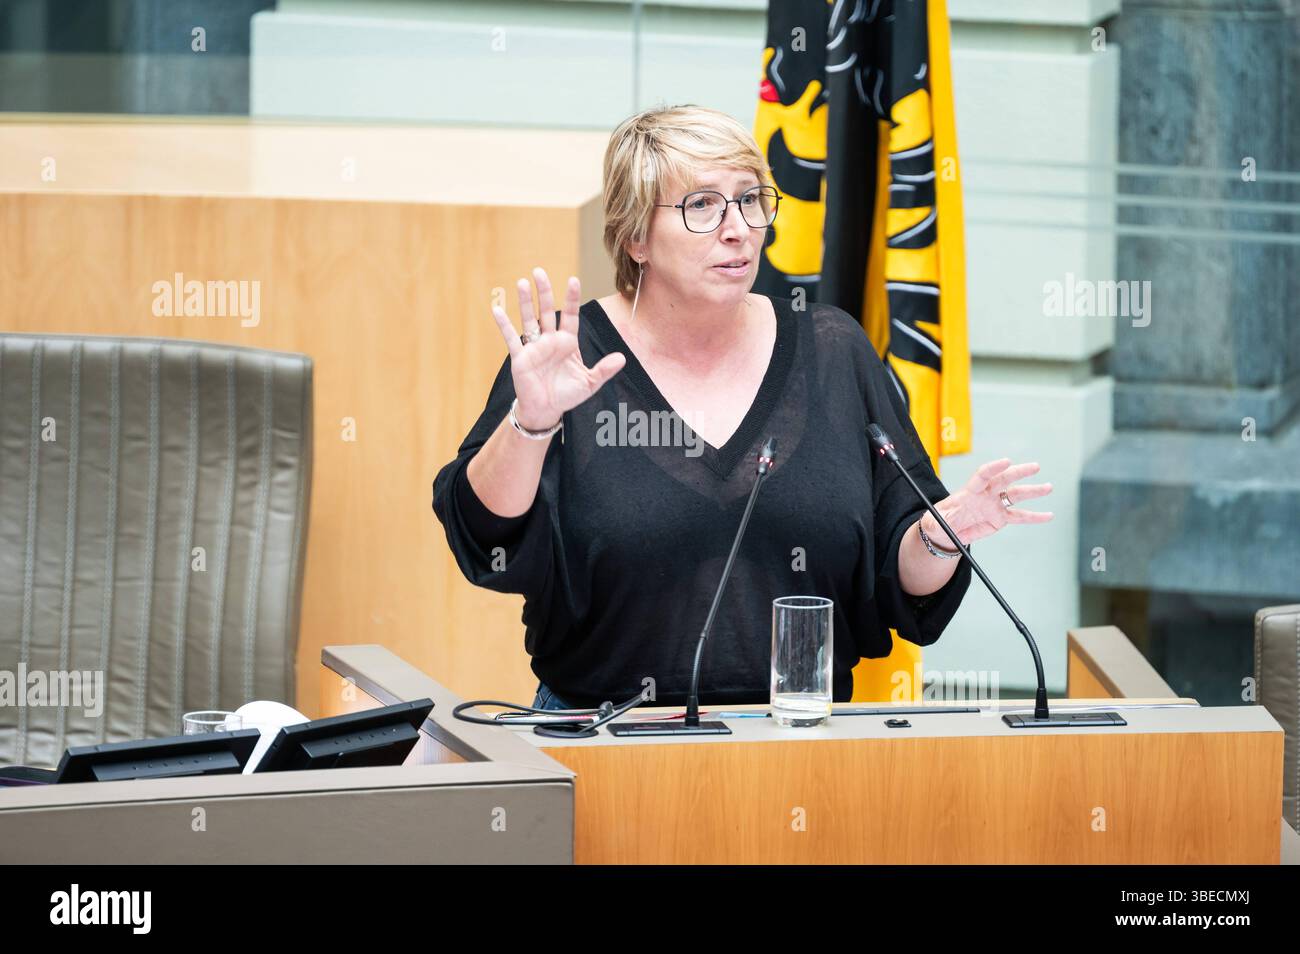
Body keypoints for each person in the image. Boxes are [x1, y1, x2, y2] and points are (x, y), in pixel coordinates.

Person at [433, 104, 1052, 712]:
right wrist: (530, 424)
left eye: (750, 200)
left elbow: (902, 577)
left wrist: (946, 539)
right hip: (605, 744)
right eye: (701, 205)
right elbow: (487, 533)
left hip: (805, 742)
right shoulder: (571, 357)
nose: (738, 228)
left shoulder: (831, 348)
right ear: (635, 238)